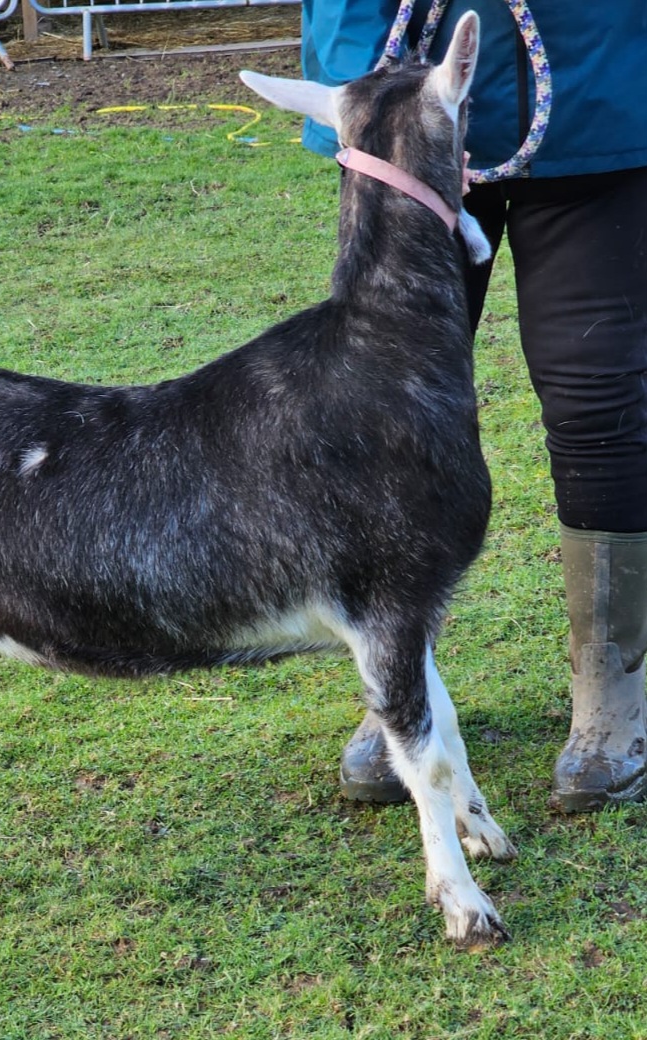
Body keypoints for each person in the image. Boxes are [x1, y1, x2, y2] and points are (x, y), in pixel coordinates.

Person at [300, 0, 647, 811]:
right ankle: (400, 686)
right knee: (386, 401)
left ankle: (613, 688)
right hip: (410, 104)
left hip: (601, 84)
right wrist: (360, 84)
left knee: (594, 393)